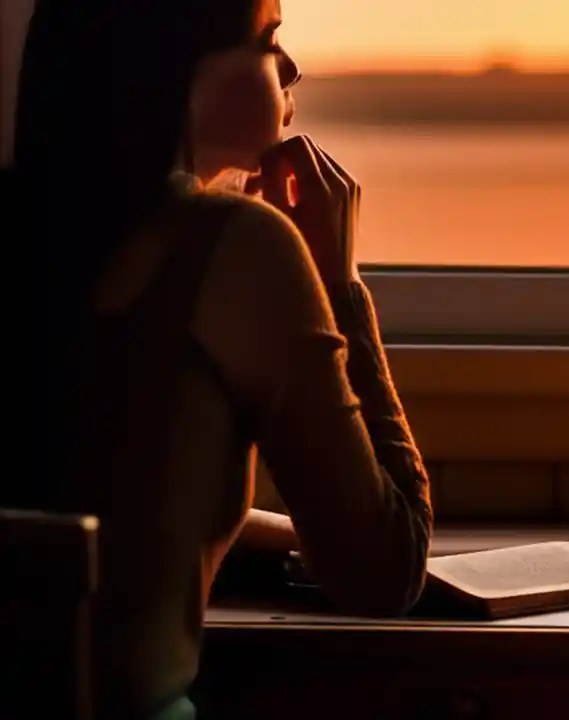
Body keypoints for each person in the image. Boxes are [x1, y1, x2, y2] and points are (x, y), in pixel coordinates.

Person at [7, 0, 433, 716]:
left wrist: (288, 535)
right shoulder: (236, 247)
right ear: (179, 71)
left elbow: (97, 502)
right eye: (268, 41)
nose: (292, 68)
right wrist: (339, 285)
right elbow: (387, 569)